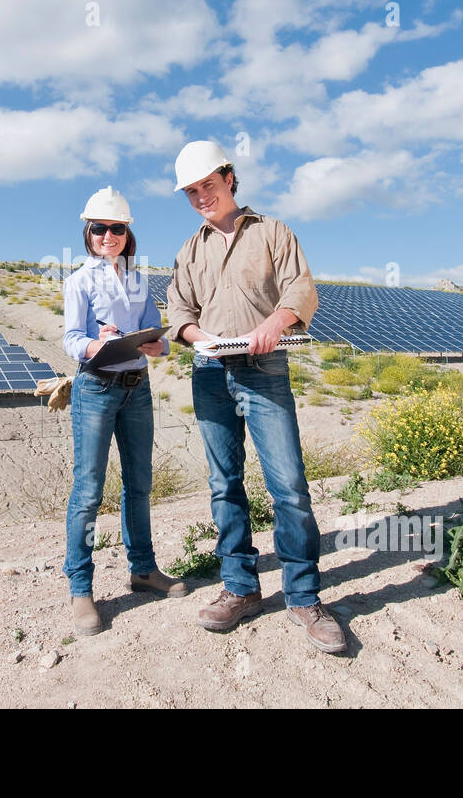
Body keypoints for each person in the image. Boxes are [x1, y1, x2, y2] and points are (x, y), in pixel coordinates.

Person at [165, 141, 347, 654]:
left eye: (207, 184)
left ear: (229, 177)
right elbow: (179, 310)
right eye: (191, 191)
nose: (201, 196)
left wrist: (274, 324)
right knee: (224, 484)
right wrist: (198, 338)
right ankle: (240, 588)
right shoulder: (189, 249)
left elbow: (300, 290)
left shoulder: (272, 232)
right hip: (209, 372)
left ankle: (303, 597)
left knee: (288, 485)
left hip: (264, 368)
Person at [61, 186, 187, 636]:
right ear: (88, 232)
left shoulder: (137, 279)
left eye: (117, 228)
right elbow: (71, 339)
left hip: (137, 388)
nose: (108, 236)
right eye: (100, 228)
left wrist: (157, 344)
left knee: (139, 484)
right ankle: (81, 589)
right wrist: (96, 343)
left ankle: (144, 570)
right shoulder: (78, 281)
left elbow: (156, 332)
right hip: (96, 388)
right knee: (88, 491)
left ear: (128, 233)